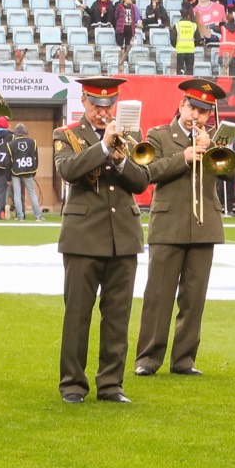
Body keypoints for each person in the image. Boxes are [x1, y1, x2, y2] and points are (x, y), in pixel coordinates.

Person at [52, 77, 152, 403]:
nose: (103, 112)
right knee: (78, 315)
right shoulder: (66, 135)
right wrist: (104, 147)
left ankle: (111, 385)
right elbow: (69, 170)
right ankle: (72, 384)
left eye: (109, 106)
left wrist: (121, 157)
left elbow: (141, 182)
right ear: (84, 101)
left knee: (118, 317)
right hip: (83, 238)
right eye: (96, 105)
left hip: (123, 236)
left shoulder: (132, 137)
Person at [131, 79, 229, 378]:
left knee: (194, 297)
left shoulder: (213, 139)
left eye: (203, 112)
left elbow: (230, 175)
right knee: (158, 295)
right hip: (169, 223)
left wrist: (216, 150)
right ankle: (148, 357)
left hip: (204, 225)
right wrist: (184, 157)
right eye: (192, 108)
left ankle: (184, 359)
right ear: (181, 106)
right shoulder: (159, 135)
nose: (197, 116)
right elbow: (147, 172)